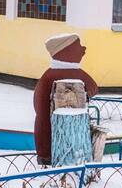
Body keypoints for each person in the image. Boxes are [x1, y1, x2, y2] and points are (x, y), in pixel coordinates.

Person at [33, 34, 99, 164]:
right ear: (67, 51)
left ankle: (48, 157)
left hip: (64, 131)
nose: (83, 49)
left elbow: (38, 106)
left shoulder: (50, 75)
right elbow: (93, 88)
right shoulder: (53, 76)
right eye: (78, 46)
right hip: (58, 130)